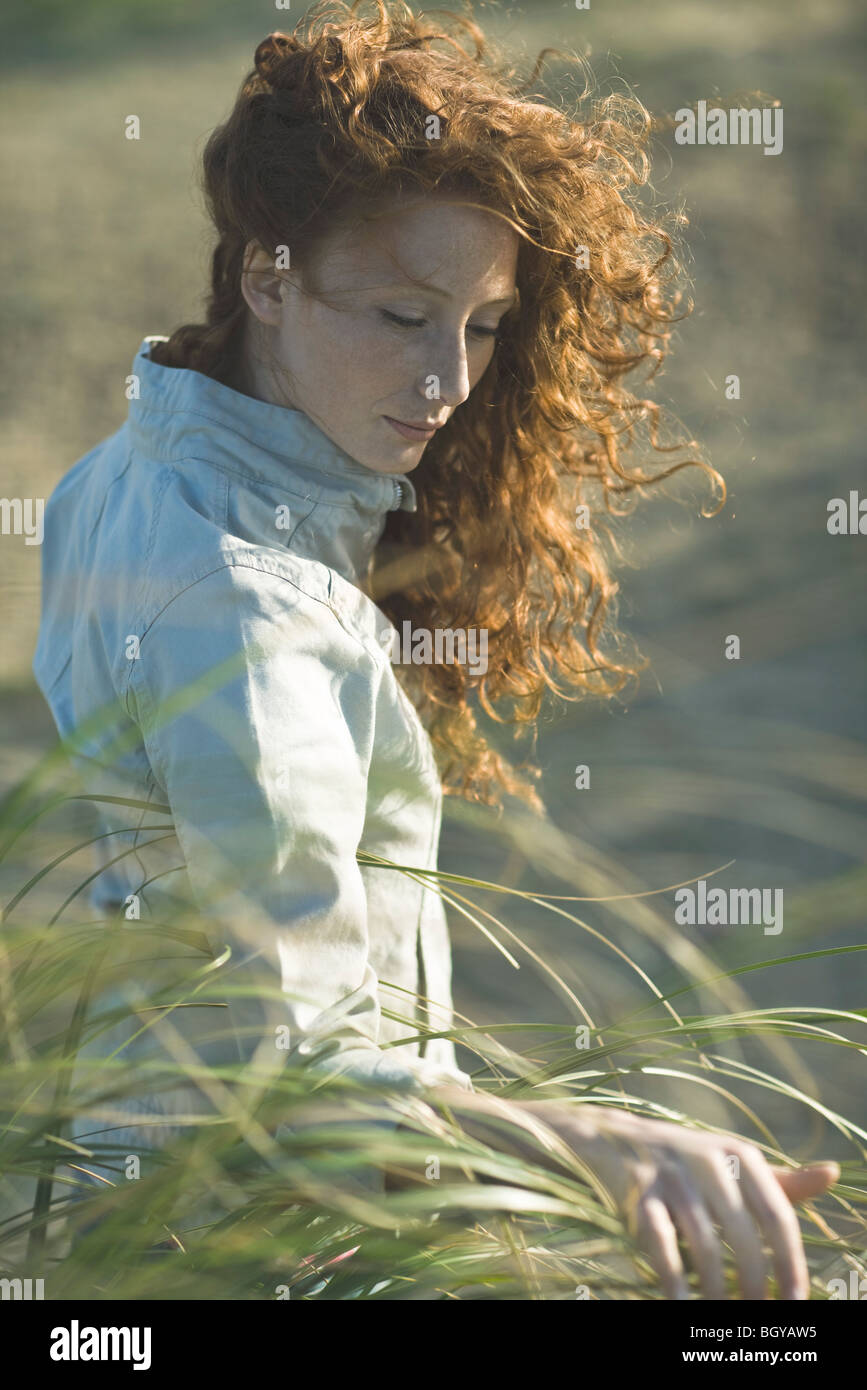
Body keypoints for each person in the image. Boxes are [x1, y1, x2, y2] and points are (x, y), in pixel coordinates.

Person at [33, 1, 837, 1298]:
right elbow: (298, 1072)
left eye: (482, 323)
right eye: (404, 316)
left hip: (137, 1217)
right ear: (267, 275)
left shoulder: (121, 474)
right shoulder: (252, 610)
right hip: (255, 1247)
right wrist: (595, 1142)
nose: (449, 382)